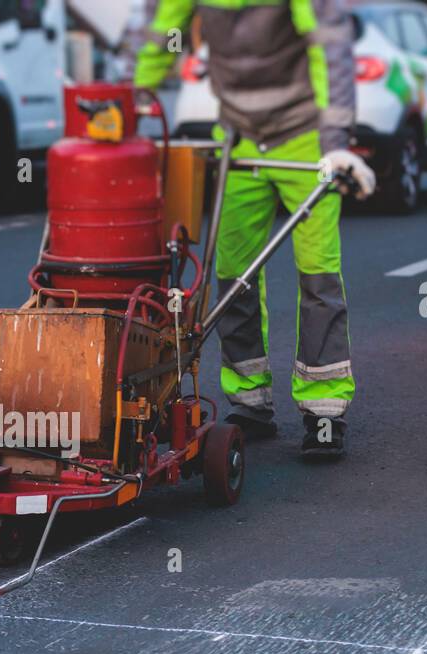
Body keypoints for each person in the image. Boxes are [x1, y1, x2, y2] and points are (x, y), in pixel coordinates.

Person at [135, 0, 375, 459]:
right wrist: (134, 98)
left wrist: (336, 140)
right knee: (233, 275)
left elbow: (329, 46)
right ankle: (249, 401)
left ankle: (324, 411)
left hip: (305, 138)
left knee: (319, 275)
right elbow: (165, 30)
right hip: (239, 139)